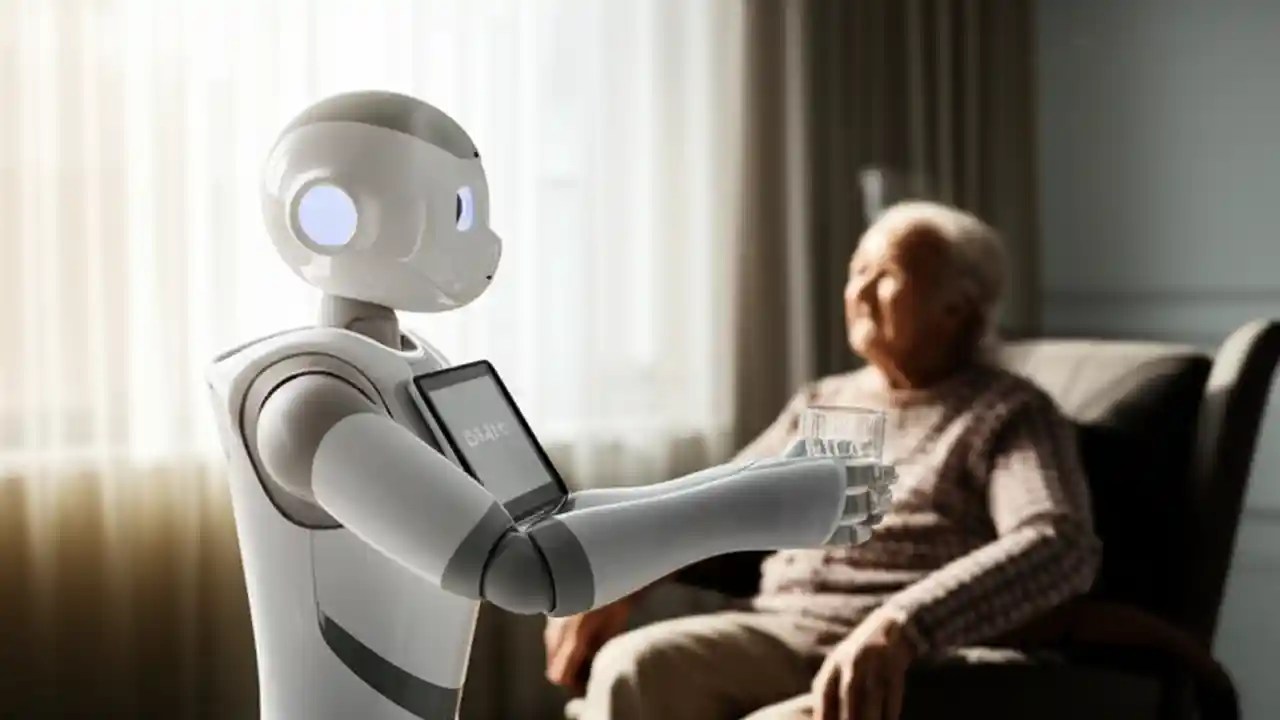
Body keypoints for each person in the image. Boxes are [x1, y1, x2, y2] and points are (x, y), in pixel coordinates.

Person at [543, 200, 1103, 720]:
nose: (859, 290)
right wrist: (629, 575)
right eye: (857, 270)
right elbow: (723, 508)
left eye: (887, 274)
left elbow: (1057, 542)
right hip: (781, 630)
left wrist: (904, 625)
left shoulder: (1007, 413)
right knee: (633, 667)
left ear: (957, 308)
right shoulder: (824, 400)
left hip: (908, 657)